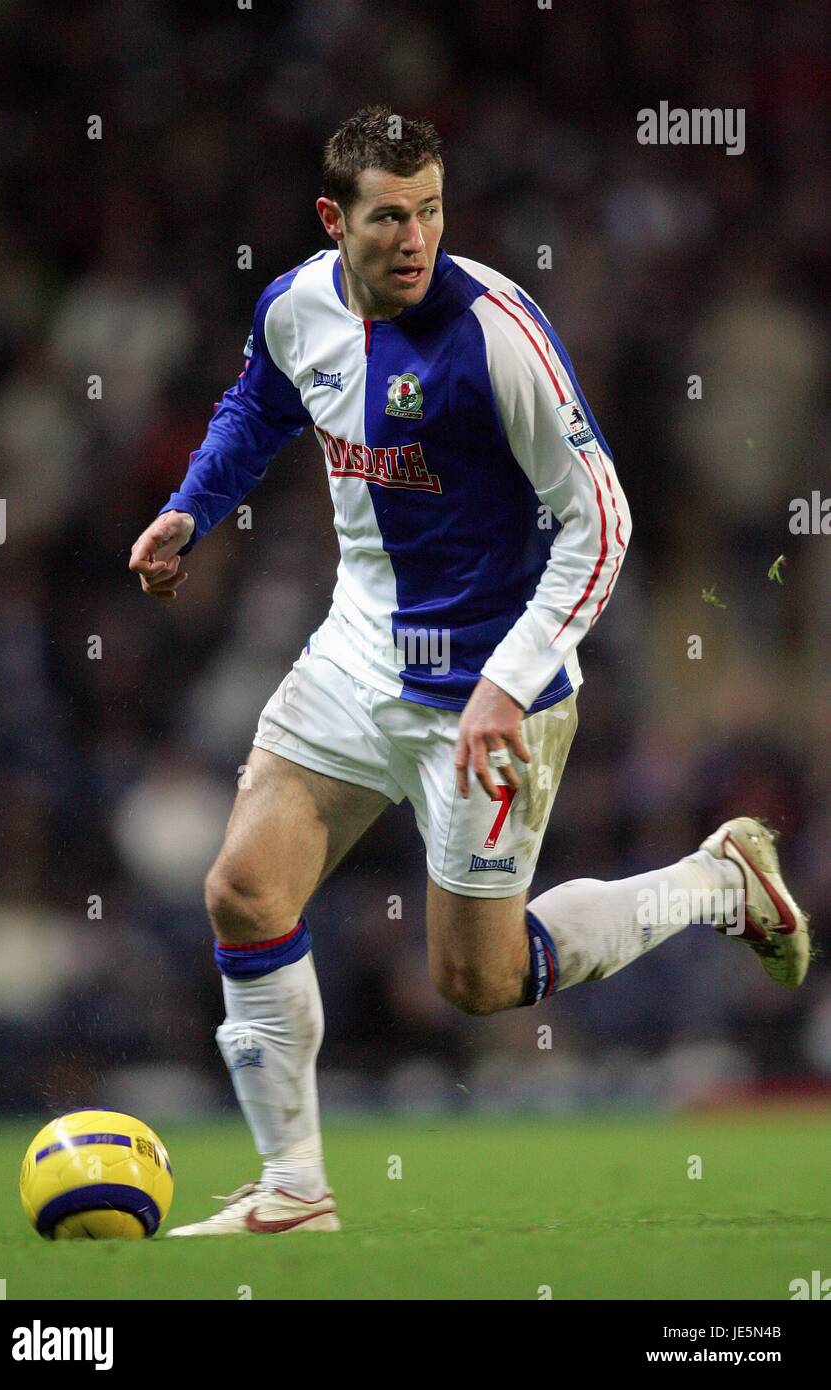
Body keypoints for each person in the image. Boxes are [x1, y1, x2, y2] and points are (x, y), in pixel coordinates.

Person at [128, 106, 810, 1237]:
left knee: (478, 983)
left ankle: (716, 882)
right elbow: (258, 401)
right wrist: (189, 508)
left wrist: (507, 678)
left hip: (487, 692)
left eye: (431, 209)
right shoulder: (294, 304)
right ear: (330, 219)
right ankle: (293, 1189)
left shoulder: (495, 334)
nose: (415, 237)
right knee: (242, 890)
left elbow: (601, 521)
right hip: (355, 652)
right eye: (389, 215)